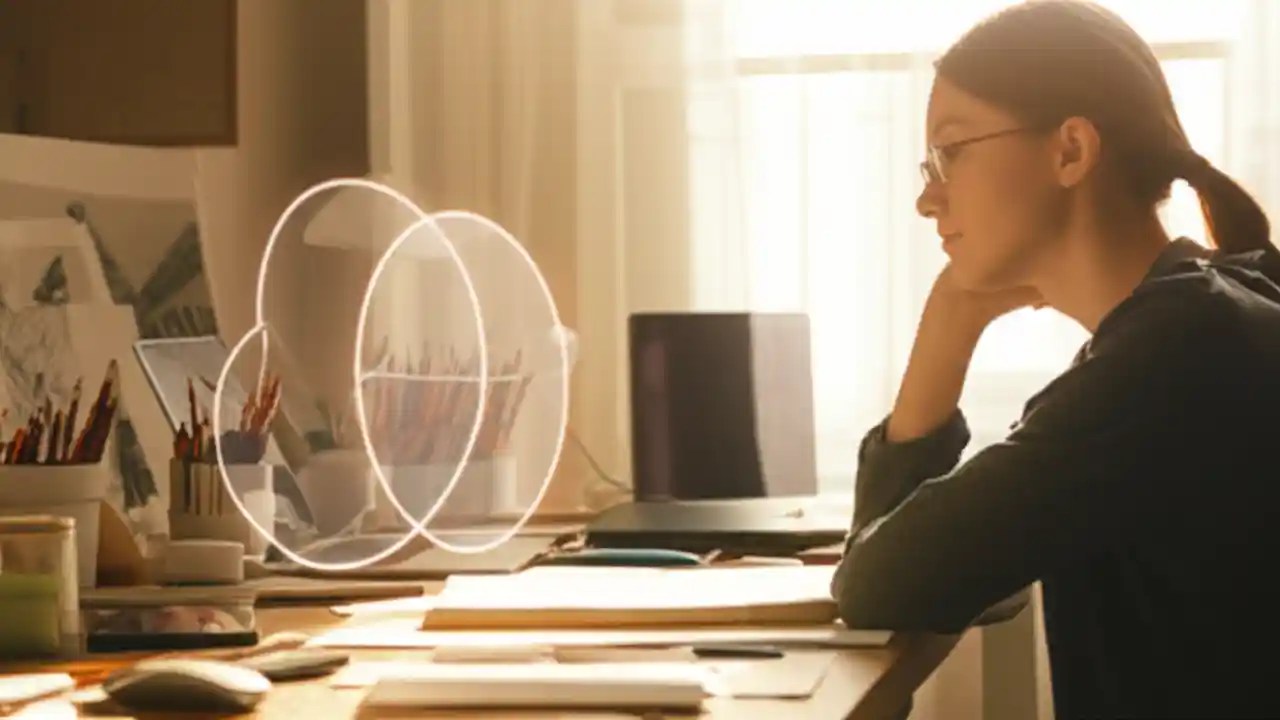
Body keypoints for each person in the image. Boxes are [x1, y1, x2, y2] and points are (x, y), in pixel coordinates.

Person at [829, 1, 1280, 718]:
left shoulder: (1170, 359)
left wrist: (949, 321)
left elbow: (879, 586)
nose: (927, 198)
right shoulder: (1209, 315)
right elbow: (920, 571)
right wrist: (957, 313)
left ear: (1071, 149)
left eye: (951, 153)